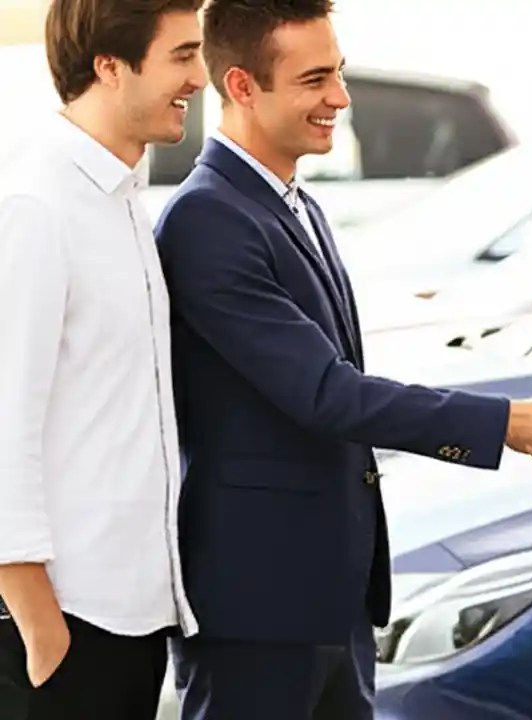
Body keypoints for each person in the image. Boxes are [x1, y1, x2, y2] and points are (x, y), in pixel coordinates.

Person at [152, 1, 532, 717]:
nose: (340, 98)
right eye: (314, 80)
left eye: (338, 72)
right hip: (260, 606)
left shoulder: (294, 202)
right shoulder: (208, 218)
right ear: (241, 87)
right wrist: (508, 424)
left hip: (330, 594)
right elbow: (327, 393)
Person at [0, 1, 207, 717]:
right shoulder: (37, 204)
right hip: (65, 632)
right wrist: (39, 627)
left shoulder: (120, 196)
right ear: (110, 67)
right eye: (182, 55)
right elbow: (4, 423)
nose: (202, 76)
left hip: (131, 621)